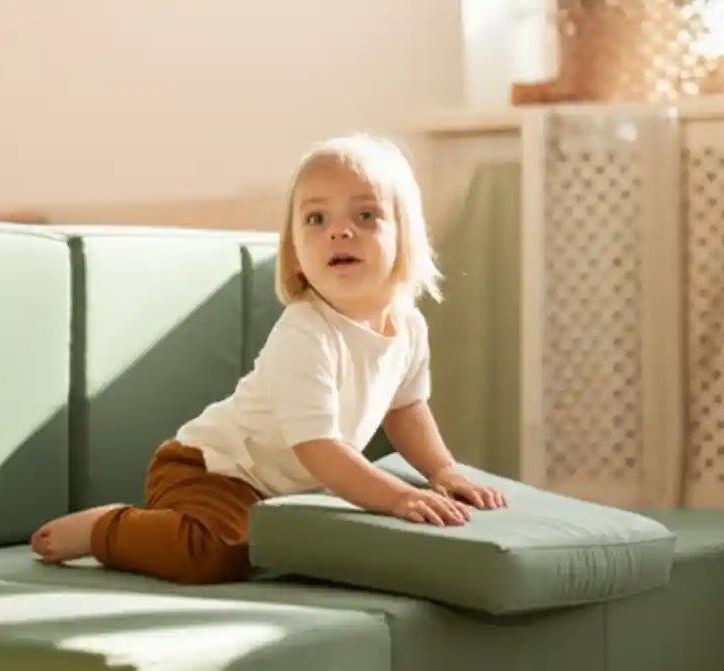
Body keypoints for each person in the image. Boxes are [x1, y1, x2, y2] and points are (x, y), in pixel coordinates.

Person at [31, 133, 507, 585]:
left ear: (406, 238)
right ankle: (104, 529)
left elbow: (407, 409)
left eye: (365, 216)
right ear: (295, 254)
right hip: (214, 470)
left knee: (282, 548)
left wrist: (442, 470)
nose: (339, 232)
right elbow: (317, 446)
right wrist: (396, 496)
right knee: (213, 554)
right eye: (316, 220)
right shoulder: (306, 332)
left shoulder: (408, 326)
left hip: (282, 490)